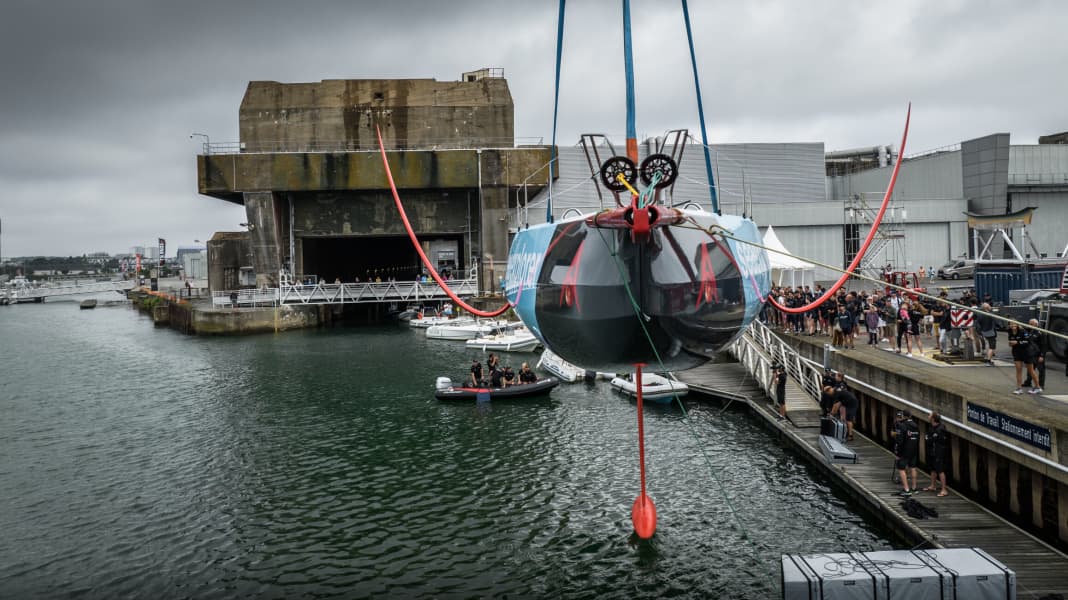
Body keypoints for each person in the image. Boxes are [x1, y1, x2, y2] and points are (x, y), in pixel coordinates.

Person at [893, 410, 921, 496]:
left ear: (903, 416)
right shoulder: (915, 425)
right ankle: (914, 488)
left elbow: (899, 441)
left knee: (901, 468)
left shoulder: (901, 425)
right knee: (913, 467)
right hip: (914, 449)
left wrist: (897, 453)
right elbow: (918, 438)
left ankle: (906, 489)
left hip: (904, 451)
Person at [1007, 323, 1040, 395]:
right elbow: (1010, 342)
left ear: (1017, 325)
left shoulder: (1023, 331)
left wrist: (1017, 342)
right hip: (1017, 353)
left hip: (1026, 352)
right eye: (1011, 325)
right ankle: (1019, 388)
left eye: (1014, 324)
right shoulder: (1009, 331)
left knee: (1031, 371)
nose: (1013, 326)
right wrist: (1010, 343)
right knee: (1018, 370)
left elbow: (1028, 342)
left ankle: (1037, 387)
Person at [924, 412, 950, 497]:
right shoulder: (931, 427)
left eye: (929, 415)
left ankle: (944, 490)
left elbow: (931, 439)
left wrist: (930, 438)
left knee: (940, 470)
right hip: (932, 451)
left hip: (938, 452)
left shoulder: (940, 429)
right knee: (933, 469)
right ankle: (933, 485)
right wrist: (929, 438)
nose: (928, 416)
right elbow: (927, 438)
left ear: (933, 419)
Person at [1022, 318, 1047, 393]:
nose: (1029, 325)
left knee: (1041, 370)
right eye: (1029, 324)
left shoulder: (1041, 332)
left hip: (1038, 354)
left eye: (1031, 324)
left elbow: (1044, 345)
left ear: (1036, 324)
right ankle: (1028, 382)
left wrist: (1042, 355)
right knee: (1030, 369)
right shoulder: (1029, 331)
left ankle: (1041, 385)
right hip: (1031, 354)